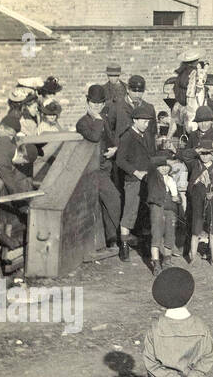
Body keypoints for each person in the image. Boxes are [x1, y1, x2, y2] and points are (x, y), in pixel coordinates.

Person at [75, 84, 121, 251]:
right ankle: (120, 236)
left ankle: (112, 238)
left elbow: (112, 139)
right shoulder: (83, 122)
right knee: (114, 198)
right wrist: (98, 119)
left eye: (100, 103)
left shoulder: (104, 120)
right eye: (94, 102)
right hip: (93, 170)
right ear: (87, 102)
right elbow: (94, 137)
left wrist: (115, 148)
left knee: (107, 203)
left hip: (106, 167)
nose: (97, 106)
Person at [116, 100, 157, 256]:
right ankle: (124, 246)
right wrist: (135, 172)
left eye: (148, 122)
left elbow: (151, 155)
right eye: (144, 122)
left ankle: (145, 244)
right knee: (130, 213)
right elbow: (120, 160)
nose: (147, 125)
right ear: (135, 120)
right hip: (133, 181)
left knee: (145, 212)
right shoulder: (127, 136)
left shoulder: (146, 135)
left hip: (147, 180)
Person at [184, 144, 213, 265]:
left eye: (208, 153)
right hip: (197, 200)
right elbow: (184, 155)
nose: (205, 156)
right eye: (202, 154)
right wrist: (196, 150)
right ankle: (193, 257)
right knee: (196, 228)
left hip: (212, 201)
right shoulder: (195, 165)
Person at [146, 147, 186, 272]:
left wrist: (177, 199)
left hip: (170, 211)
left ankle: (167, 261)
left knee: (170, 236)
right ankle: (156, 264)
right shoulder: (153, 177)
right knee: (156, 235)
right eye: (161, 165)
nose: (164, 168)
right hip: (157, 208)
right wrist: (168, 159)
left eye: (166, 166)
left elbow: (178, 198)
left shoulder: (172, 180)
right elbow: (152, 163)